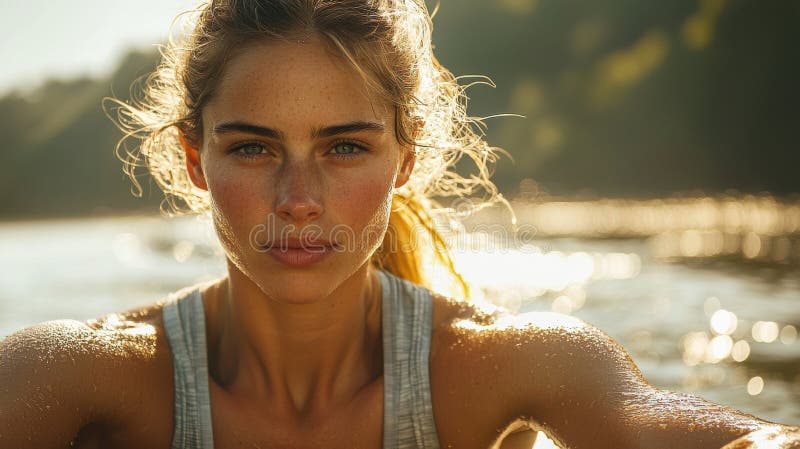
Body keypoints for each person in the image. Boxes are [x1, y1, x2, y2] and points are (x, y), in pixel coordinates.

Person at [0, 1, 798, 448]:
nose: (299, 198)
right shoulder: (79, 381)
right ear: (193, 160)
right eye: (253, 148)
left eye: (345, 146)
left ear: (406, 161)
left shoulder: (496, 369)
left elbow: (679, 432)